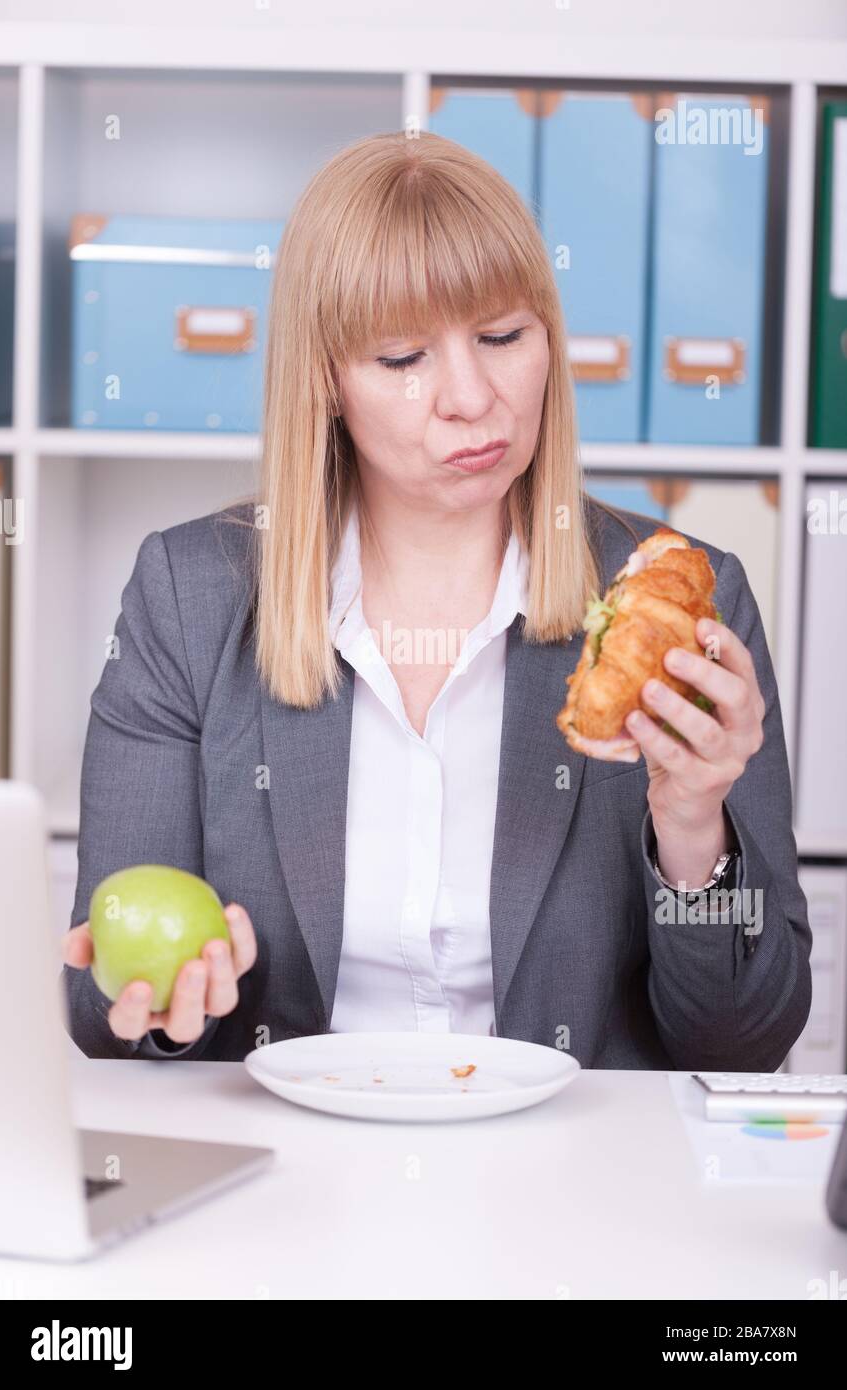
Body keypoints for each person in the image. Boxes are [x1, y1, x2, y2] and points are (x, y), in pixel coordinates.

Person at [62, 130, 811, 1067]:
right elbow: (101, 1009)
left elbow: (747, 1041)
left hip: (575, 1186)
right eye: (402, 358)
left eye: (503, 336)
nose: (470, 396)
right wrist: (172, 1006)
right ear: (328, 382)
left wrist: (694, 827)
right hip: (290, 1172)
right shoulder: (188, 596)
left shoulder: (681, 603)